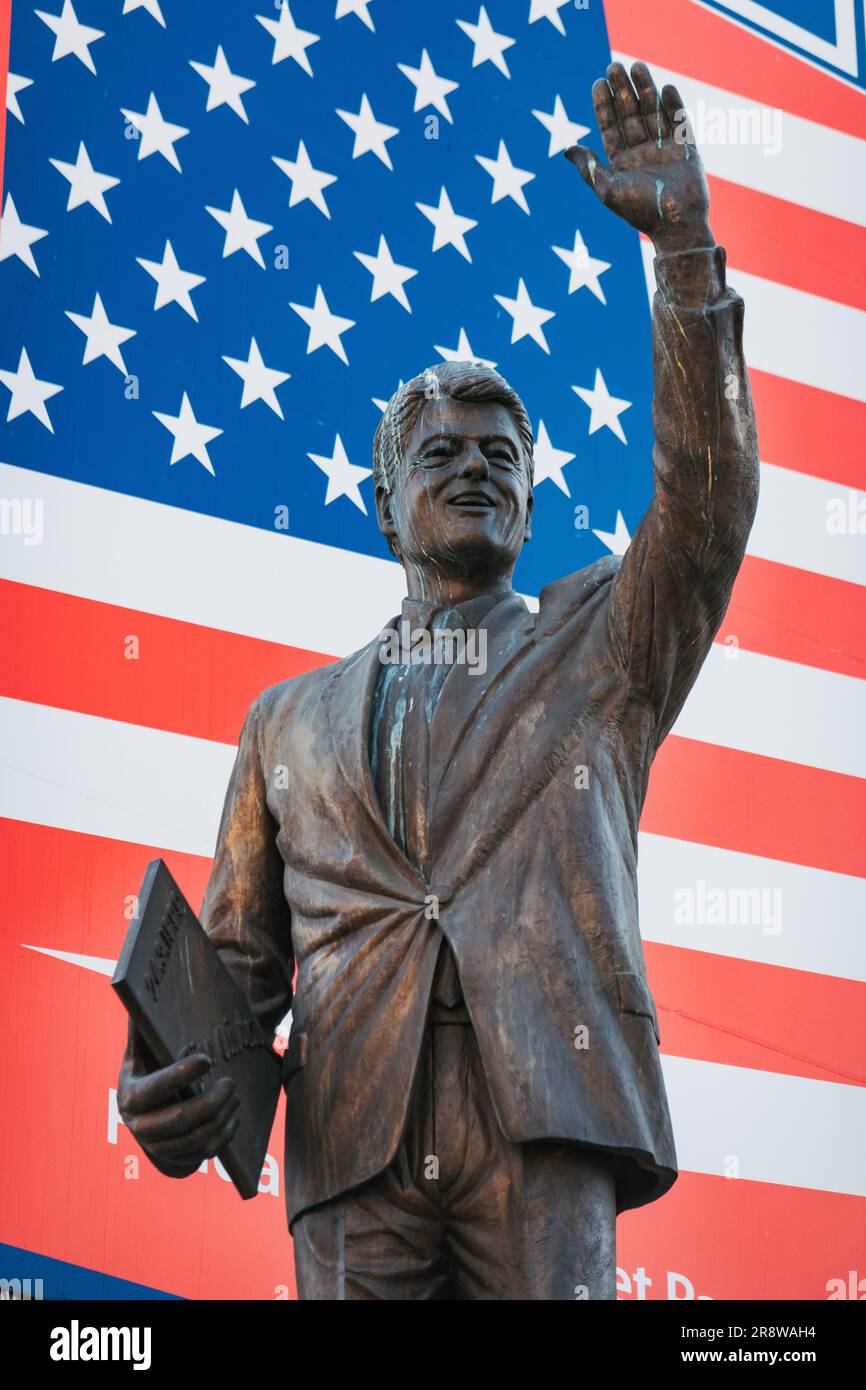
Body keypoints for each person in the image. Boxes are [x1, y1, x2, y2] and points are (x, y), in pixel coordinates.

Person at [118, 61, 759, 1300]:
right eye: (441, 454)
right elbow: (238, 981)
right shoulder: (285, 726)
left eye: (502, 457)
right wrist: (167, 1086)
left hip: (545, 1112)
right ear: (381, 501)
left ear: (530, 495)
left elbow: (708, 499)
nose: (477, 471)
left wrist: (682, 250)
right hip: (351, 1129)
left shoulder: (605, 643)